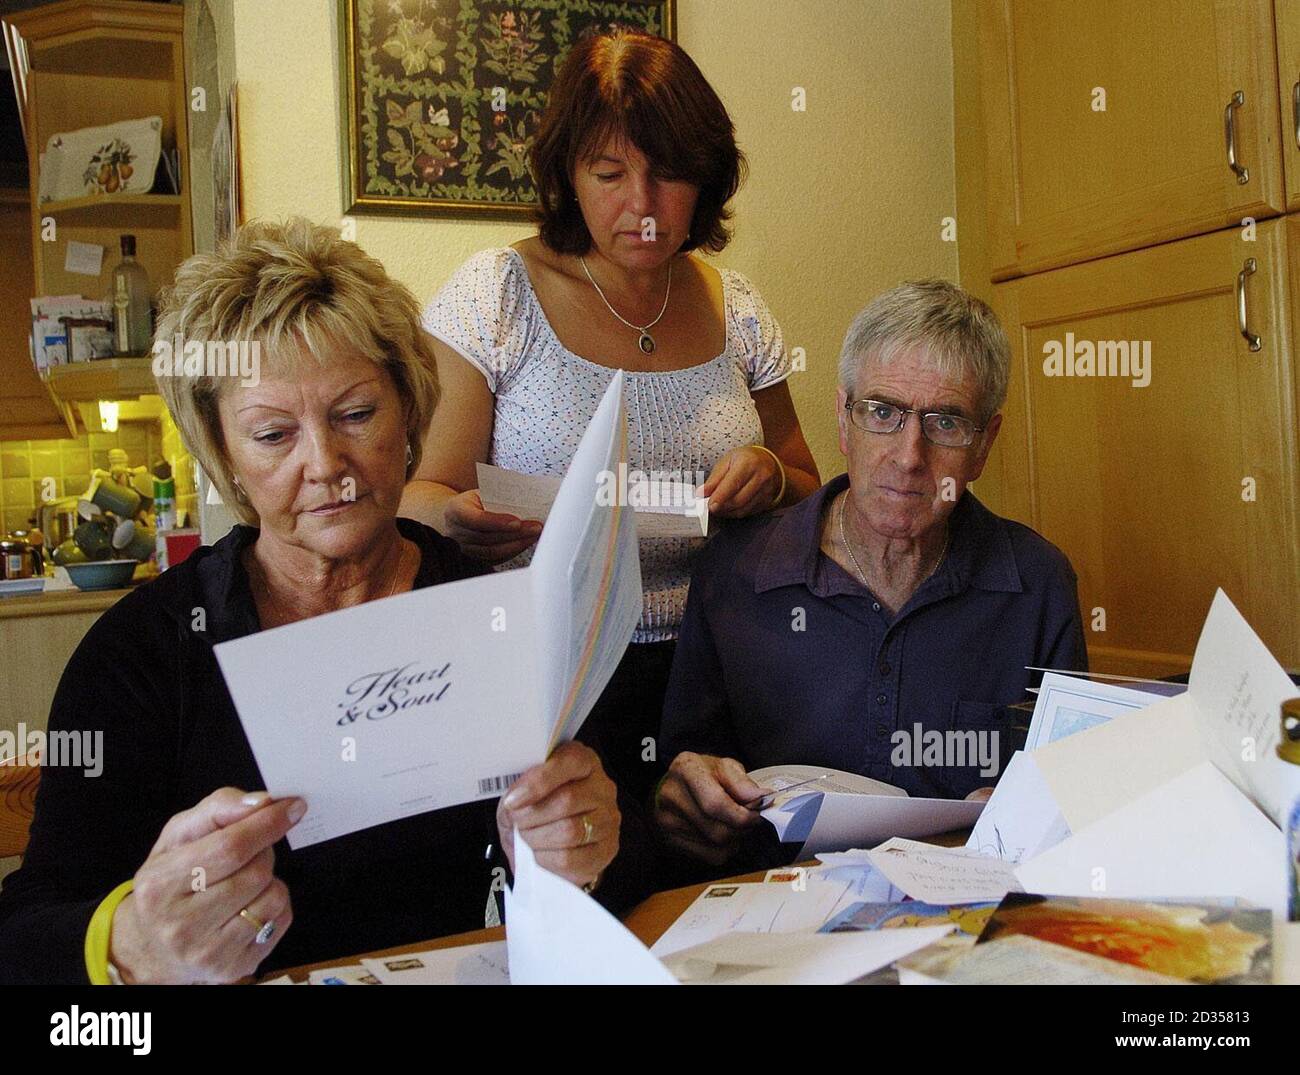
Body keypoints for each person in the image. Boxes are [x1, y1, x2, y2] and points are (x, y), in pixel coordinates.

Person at [0, 219, 641, 985]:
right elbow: (25, 932)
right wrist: (130, 942)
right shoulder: (144, 651)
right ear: (225, 456)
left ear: (409, 413)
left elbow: (628, 860)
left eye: (356, 415)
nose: (326, 464)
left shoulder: (503, 615)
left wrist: (584, 849)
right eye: (273, 434)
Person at [402, 28, 820, 802]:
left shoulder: (742, 308)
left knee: (719, 888)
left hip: (720, 667)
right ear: (567, 174)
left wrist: (768, 474)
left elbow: (808, 485)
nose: (643, 206)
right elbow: (417, 496)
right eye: (609, 173)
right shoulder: (496, 294)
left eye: (669, 176)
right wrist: (459, 519)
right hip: (551, 676)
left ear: (707, 179)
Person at [653, 280, 1087, 870]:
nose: (909, 456)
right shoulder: (736, 571)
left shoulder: (1038, 583)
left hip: (964, 912)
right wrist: (688, 798)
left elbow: (1070, 799)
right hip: (776, 921)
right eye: (882, 413)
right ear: (843, 420)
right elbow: (681, 778)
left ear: (985, 445)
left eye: (947, 422)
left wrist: (1034, 815)